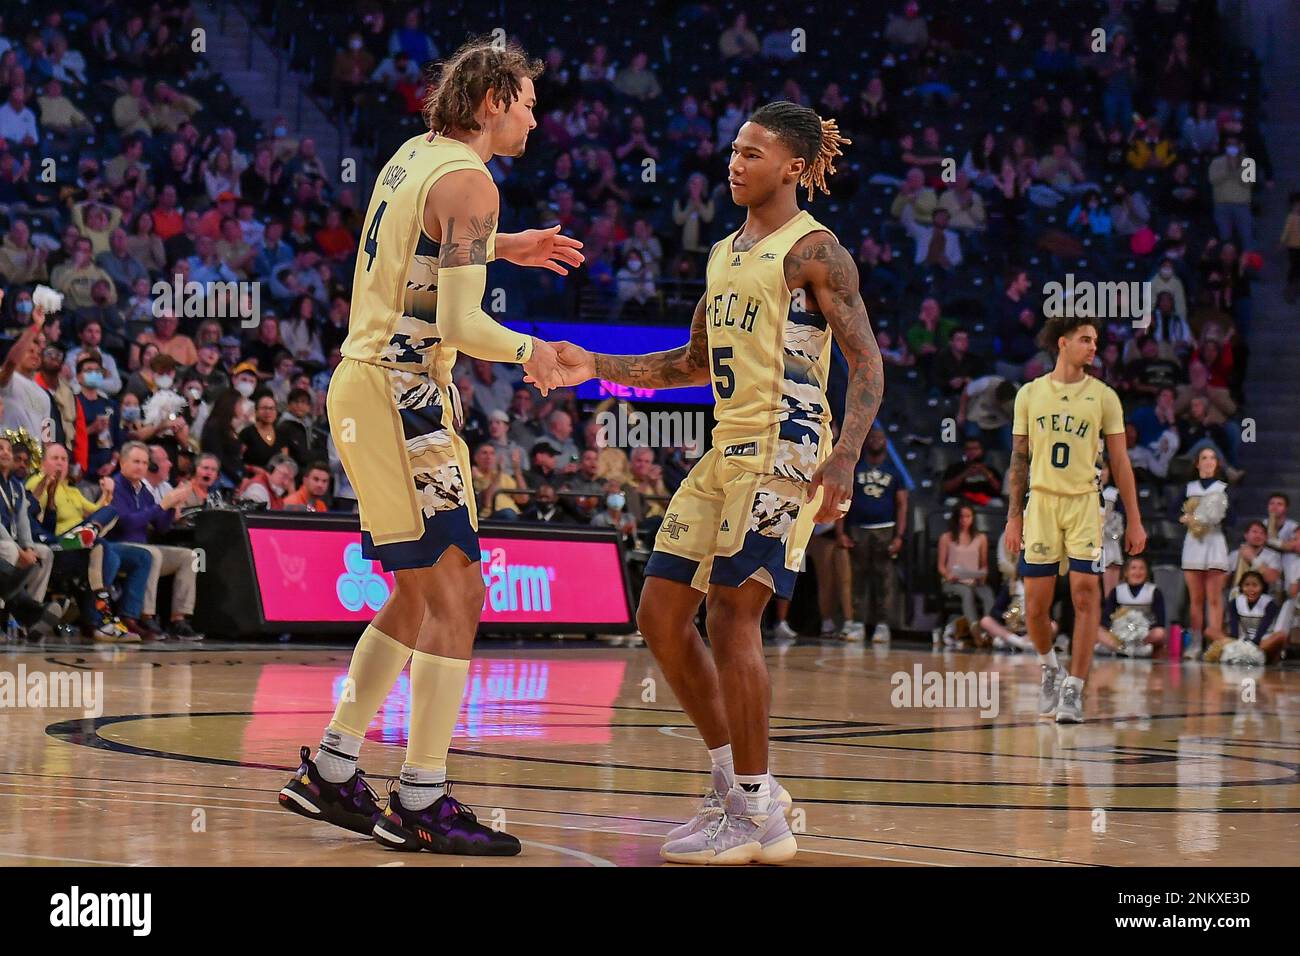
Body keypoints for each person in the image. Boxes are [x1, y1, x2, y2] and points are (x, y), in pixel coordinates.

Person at [544, 100, 880, 864]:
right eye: (733, 149)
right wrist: (593, 366)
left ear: (793, 167)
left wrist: (846, 455)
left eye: (753, 153)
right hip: (724, 446)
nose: (735, 162)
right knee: (661, 615)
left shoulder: (815, 250)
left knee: (733, 615)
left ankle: (759, 810)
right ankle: (737, 786)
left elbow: (867, 361)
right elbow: (690, 364)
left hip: (788, 446)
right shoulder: (725, 253)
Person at [279, 37, 585, 857]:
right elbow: (463, 326)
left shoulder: (419, 156)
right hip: (401, 393)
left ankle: (333, 769)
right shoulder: (472, 182)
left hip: (367, 383)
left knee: (418, 598)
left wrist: (505, 244)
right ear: (490, 102)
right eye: (524, 99)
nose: (533, 113)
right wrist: (536, 353)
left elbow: (423, 250)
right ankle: (422, 795)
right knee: (458, 597)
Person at [1004, 314, 1147, 724]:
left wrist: (1135, 521)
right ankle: (1051, 668)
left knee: (1086, 595)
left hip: (1085, 504)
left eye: (1096, 340)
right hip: (1042, 504)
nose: (1093, 347)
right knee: (1035, 608)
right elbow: (1019, 459)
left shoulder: (1103, 396)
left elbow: (1120, 461)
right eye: (1086, 339)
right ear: (1062, 343)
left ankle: (1075, 689)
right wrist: (1014, 517)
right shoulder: (1030, 394)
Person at [840, 424, 906, 642]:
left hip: (885, 529)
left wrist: (899, 536)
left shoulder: (894, 472)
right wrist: (841, 531)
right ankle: (858, 623)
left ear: (886, 442)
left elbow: (902, 505)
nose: (876, 440)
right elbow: (844, 499)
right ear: (867, 441)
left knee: (884, 579)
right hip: (858, 529)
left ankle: (883, 625)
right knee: (858, 578)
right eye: (873, 437)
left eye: (880, 437)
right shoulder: (856, 469)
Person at [1178, 446, 1231, 660]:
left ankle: (1215, 644)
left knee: (1214, 598)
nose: (1208, 461)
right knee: (1196, 599)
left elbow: (1233, 517)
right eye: (1204, 458)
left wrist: (1218, 516)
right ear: (1197, 463)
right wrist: (1186, 518)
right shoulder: (1189, 488)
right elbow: (1175, 510)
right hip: (1193, 542)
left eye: (1212, 458)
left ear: (1217, 464)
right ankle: (1196, 643)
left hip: (1215, 541)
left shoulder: (1223, 488)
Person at [938, 502, 993, 643]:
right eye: (961, 517)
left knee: (987, 594)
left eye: (968, 516)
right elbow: (941, 566)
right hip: (953, 581)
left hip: (973, 580)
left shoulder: (981, 538)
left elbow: (984, 565)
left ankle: (989, 630)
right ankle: (975, 630)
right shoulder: (946, 537)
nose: (964, 520)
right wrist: (948, 575)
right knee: (966, 593)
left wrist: (982, 576)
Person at [1095, 556, 1167, 658]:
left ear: (1147, 572)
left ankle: (1135, 648)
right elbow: (1106, 618)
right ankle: (1122, 649)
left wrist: (1143, 632)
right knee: (1097, 631)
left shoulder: (1154, 591)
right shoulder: (1117, 591)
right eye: (1133, 568)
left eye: (1141, 568)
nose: (1138, 572)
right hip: (1119, 634)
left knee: (1160, 633)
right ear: (1126, 572)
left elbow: (1160, 621)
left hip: (1144, 634)